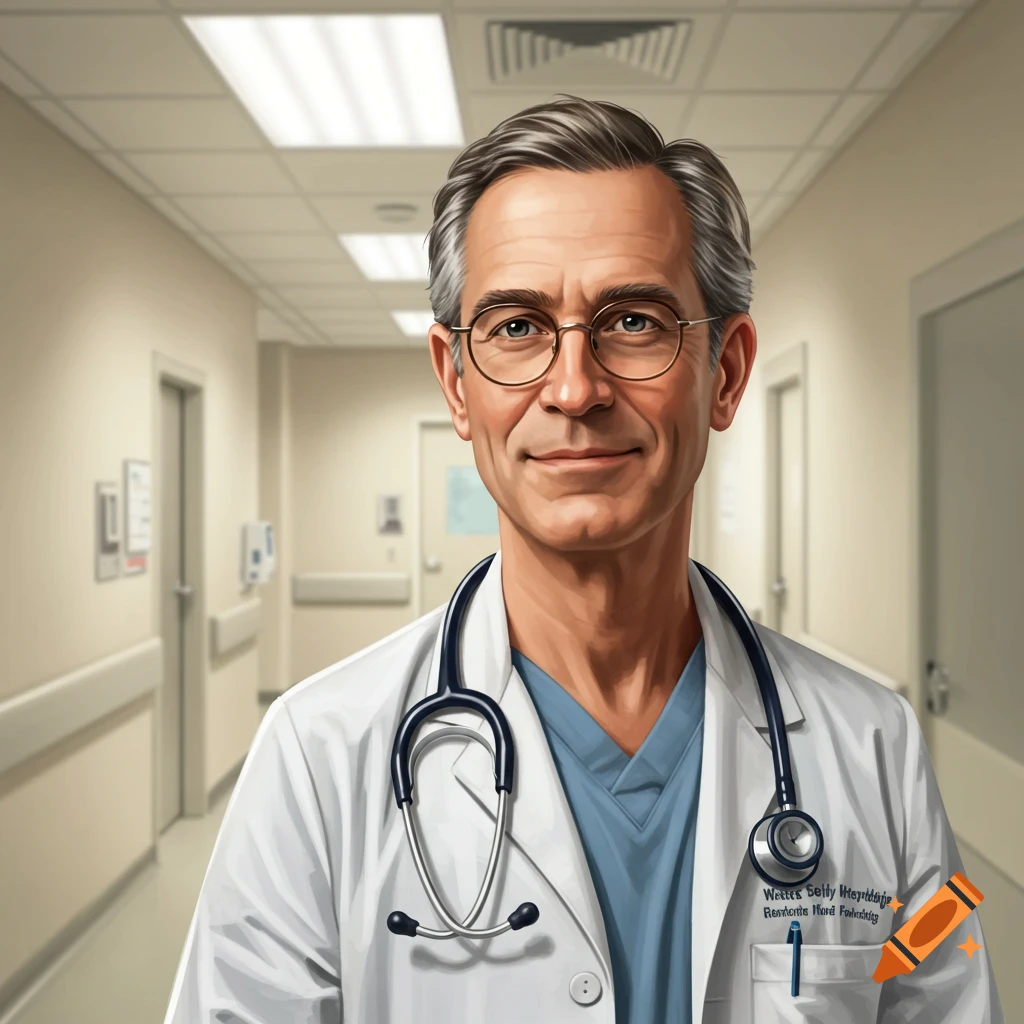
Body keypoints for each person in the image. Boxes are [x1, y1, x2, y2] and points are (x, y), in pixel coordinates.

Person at [164, 96, 1002, 1024]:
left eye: (634, 321)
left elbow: (943, 990)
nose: (574, 388)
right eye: (516, 327)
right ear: (455, 382)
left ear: (724, 372)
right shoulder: (317, 758)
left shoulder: (874, 746)